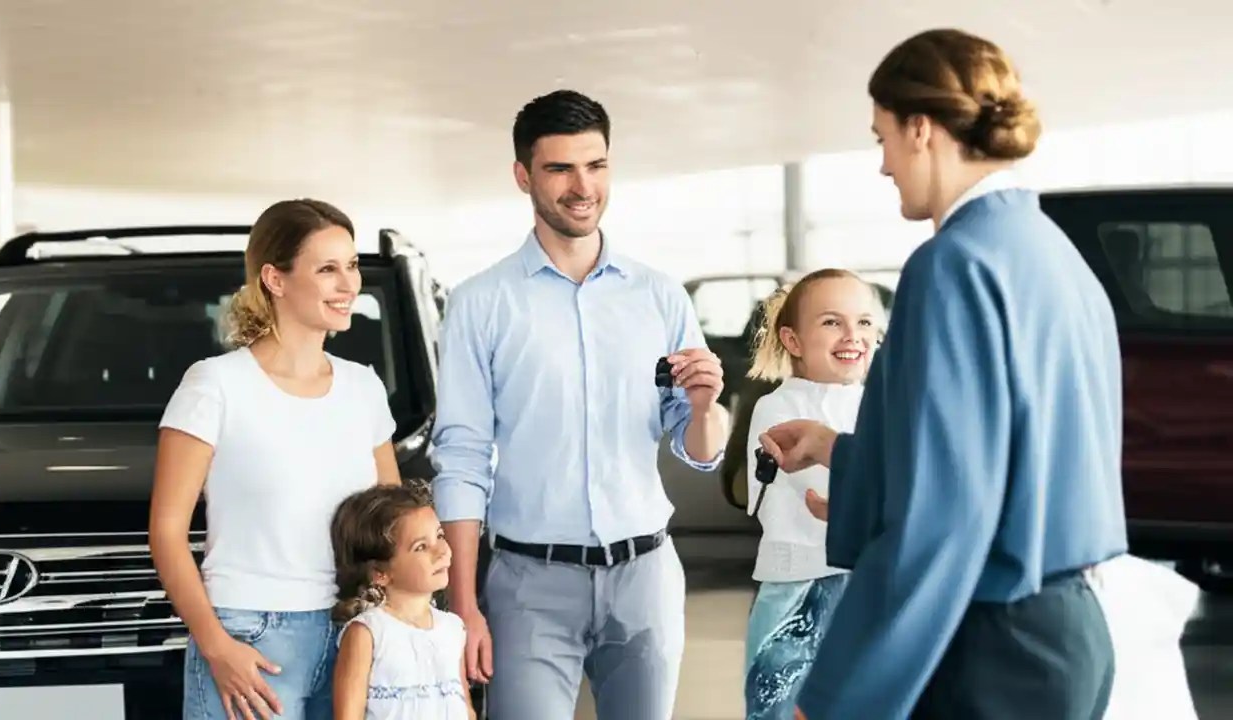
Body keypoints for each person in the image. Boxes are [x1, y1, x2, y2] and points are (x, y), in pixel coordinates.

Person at [758, 28, 1128, 720]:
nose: (884, 166)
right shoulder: (1056, 255)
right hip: (1067, 637)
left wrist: (838, 693)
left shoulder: (951, 266)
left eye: (882, 138)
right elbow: (1000, 459)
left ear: (921, 128)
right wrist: (840, 452)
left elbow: (943, 517)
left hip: (990, 647)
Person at [430, 89, 727, 720]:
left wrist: (704, 409)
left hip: (645, 575)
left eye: (595, 165)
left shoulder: (659, 296)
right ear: (523, 176)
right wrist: (464, 604)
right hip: (528, 583)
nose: (581, 185)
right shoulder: (481, 303)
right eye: (560, 168)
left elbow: (697, 448)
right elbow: (461, 455)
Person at [150, 199, 403, 720]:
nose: (348, 284)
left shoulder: (363, 387)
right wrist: (217, 647)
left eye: (351, 265)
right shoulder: (215, 385)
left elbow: (392, 525)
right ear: (275, 279)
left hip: (355, 629)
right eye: (327, 268)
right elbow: (167, 532)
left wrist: (400, 626)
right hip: (252, 638)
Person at [741, 270, 882, 719]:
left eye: (863, 322)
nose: (852, 336)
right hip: (797, 592)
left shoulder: (878, 403)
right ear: (793, 340)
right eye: (831, 322)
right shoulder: (778, 408)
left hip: (868, 588)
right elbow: (827, 492)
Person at [330, 484, 474, 720]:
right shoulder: (368, 633)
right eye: (421, 547)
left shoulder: (453, 628)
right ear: (380, 573)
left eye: (439, 535)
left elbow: (464, 707)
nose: (442, 551)